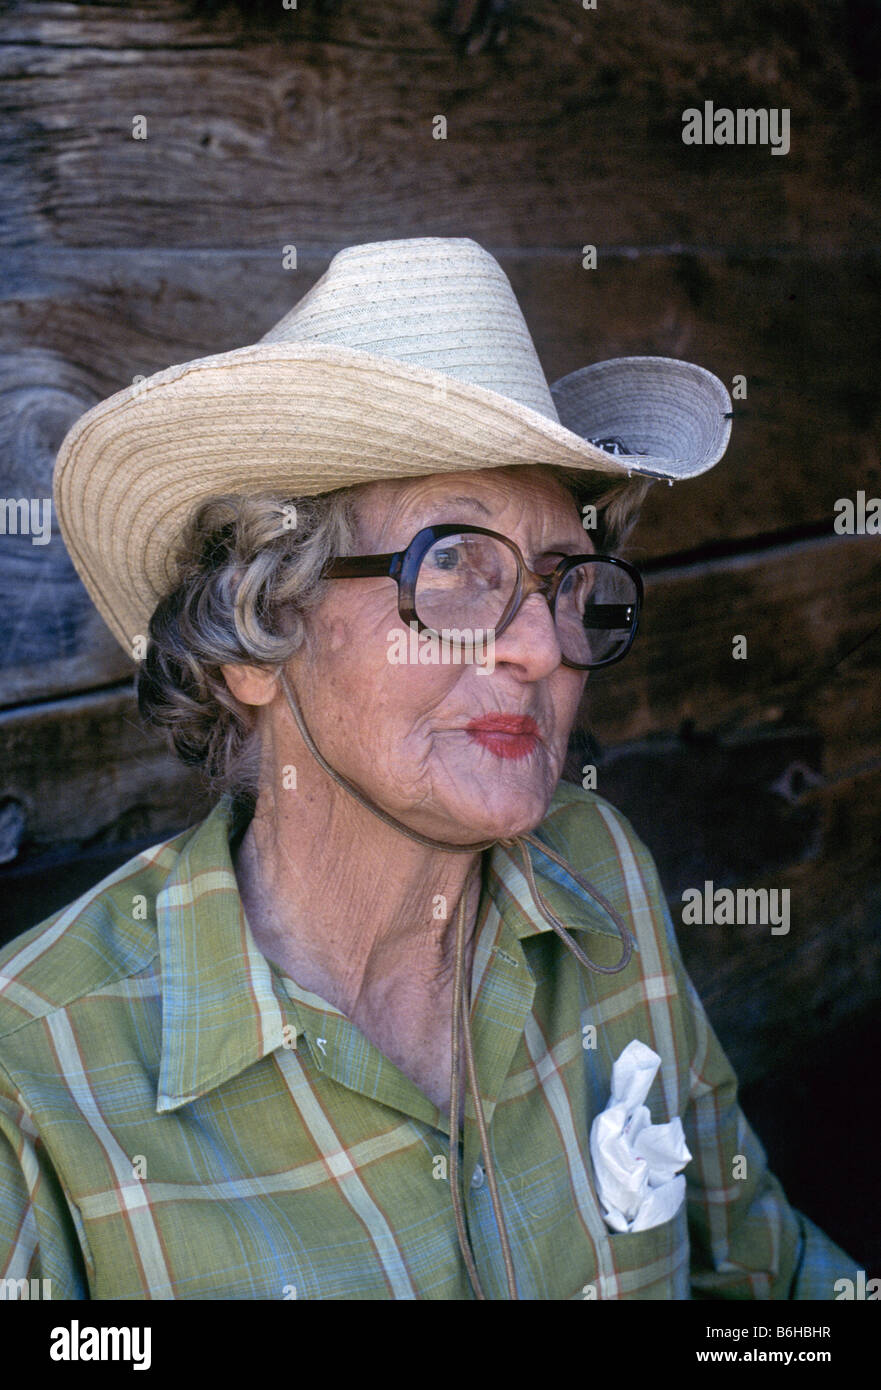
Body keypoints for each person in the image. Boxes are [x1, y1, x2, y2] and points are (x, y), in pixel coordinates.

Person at [0, 237, 856, 1300]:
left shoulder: (599, 877)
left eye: (559, 581)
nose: (539, 647)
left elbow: (760, 1278)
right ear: (252, 641)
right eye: (452, 566)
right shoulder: (34, 1086)